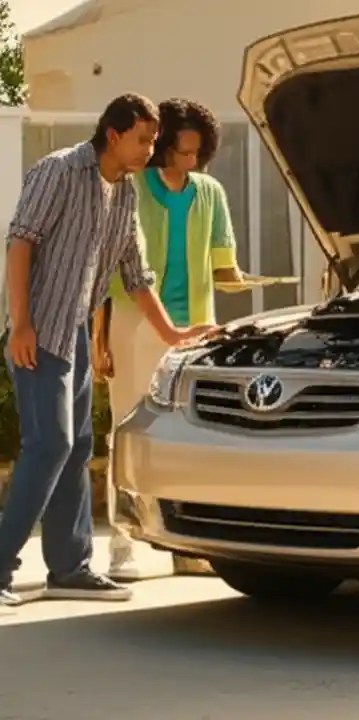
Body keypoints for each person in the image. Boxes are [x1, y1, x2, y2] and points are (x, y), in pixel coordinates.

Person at [0, 94, 216, 608]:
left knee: (75, 446)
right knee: (48, 444)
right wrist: (21, 324)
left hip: (72, 330)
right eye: (144, 139)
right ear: (114, 135)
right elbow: (20, 243)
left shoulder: (122, 193)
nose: (151, 149)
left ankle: (69, 568)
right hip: (40, 331)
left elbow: (134, 273)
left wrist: (174, 334)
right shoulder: (58, 171)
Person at [93, 98, 243, 581]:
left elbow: (225, 268)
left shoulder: (211, 192)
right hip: (134, 323)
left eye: (198, 153)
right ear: (161, 149)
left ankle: (189, 544)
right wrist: (99, 333)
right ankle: (122, 543)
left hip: (195, 326)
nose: (191, 162)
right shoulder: (131, 188)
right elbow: (102, 267)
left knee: (193, 434)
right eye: (181, 152)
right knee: (127, 431)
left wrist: (246, 281)